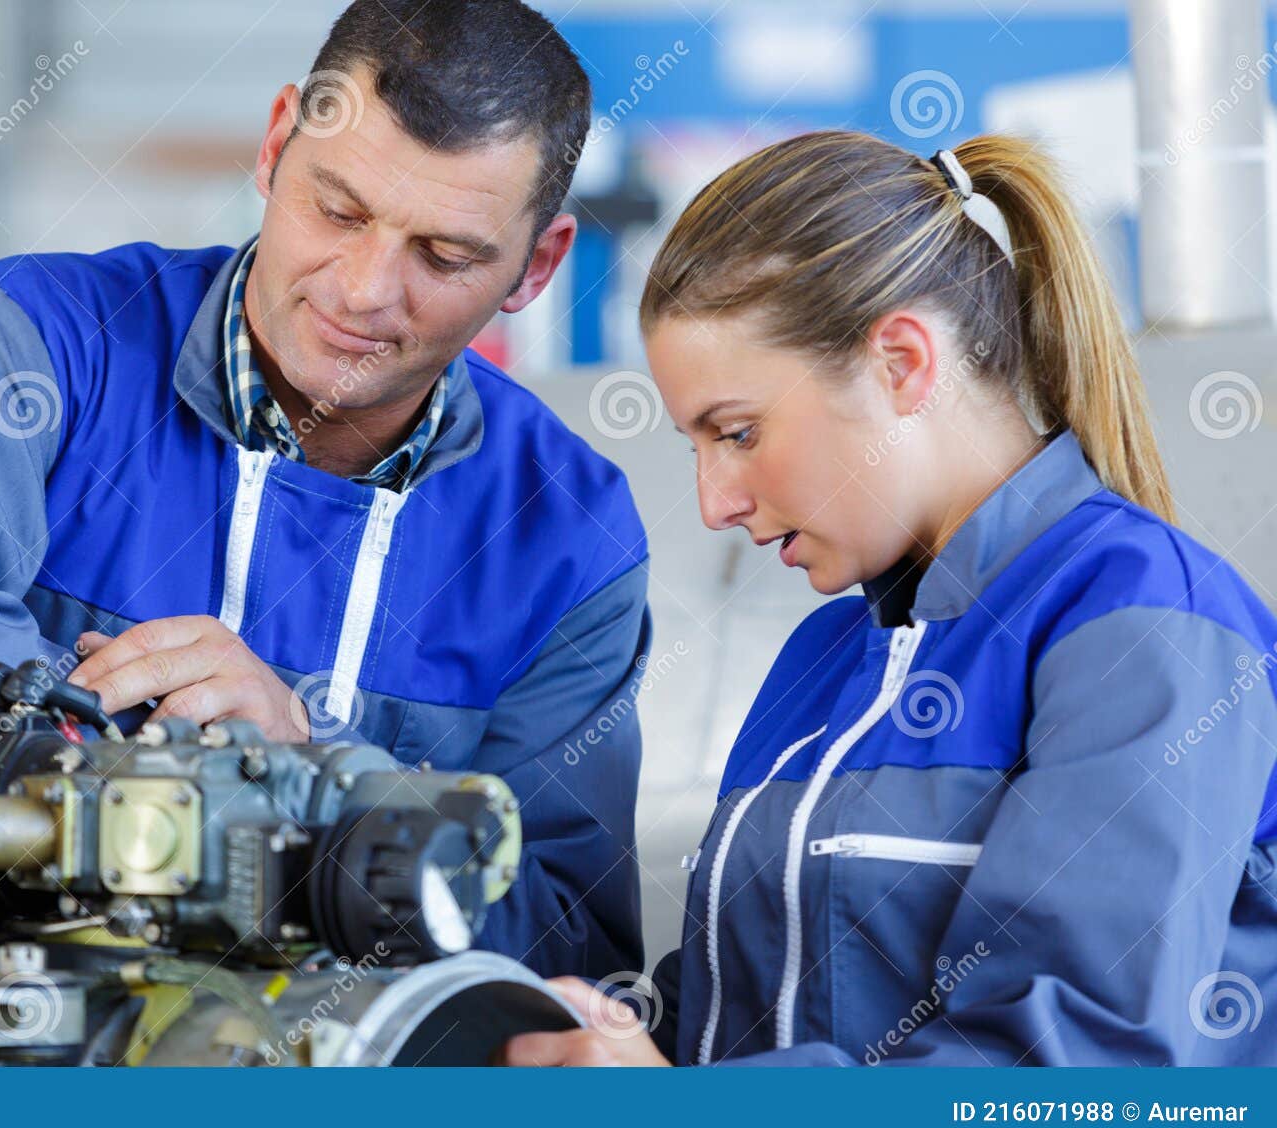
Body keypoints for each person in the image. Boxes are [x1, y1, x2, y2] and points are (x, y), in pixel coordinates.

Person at [0, 0, 649, 980]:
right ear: (275, 146)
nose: (361, 290)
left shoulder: (569, 537)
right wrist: (207, 770)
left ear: (537, 263)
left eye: (442, 255)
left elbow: (569, 951)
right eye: (338, 210)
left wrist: (313, 747)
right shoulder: (33, 344)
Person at [505, 130, 1277, 1065]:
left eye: (739, 432)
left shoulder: (1143, 626)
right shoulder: (824, 657)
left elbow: (1064, 1085)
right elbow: (758, 1007)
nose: (715, 502)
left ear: (902, 362)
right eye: (695, 445)